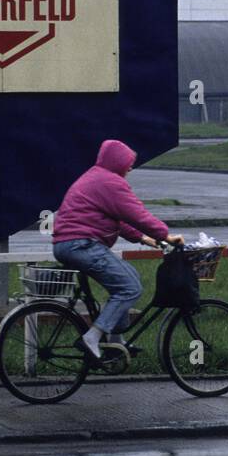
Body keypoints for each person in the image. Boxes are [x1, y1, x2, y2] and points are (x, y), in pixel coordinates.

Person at [52, 139, 183, 362]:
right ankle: (92, 337)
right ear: (116, 162)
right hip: (81, 244)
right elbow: (136, 213)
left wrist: (143, 238)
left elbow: (117, 219)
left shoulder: (95, 176)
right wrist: (165, 235)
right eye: (128, 162)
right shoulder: (110, 182)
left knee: (130, 275)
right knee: (129, 288)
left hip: (70, 244)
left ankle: (114, 341)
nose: (130, 167)